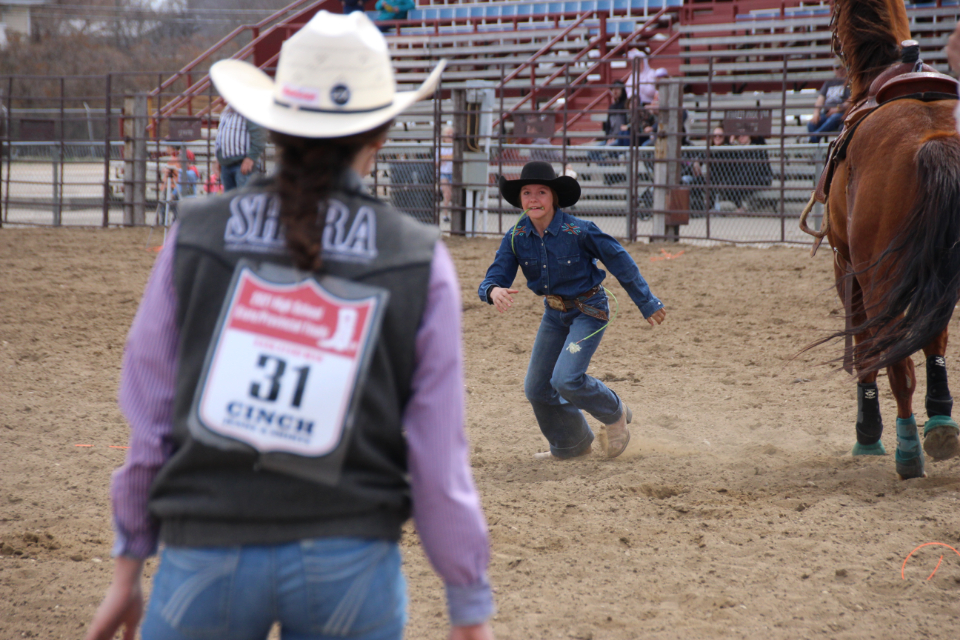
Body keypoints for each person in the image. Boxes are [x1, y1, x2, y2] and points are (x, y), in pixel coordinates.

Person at [84, 11, 494, 640]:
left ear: (274, 127)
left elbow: (152, 413)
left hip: (208, 545)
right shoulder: (415, 255)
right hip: (350, 552)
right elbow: (438, 453)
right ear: (380, 132)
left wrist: (128, 562)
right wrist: (467, 600)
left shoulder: (194, 232)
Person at [479, 161, 666, 461]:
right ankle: (572, 444)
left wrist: (647, 302)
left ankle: (615, 412)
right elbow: (494, 277)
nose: (534, 199)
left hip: (589, 310)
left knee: (565, 379)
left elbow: (619, 261)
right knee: (537, 387)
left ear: (554, 197)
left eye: (542, 192)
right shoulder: (515, 237)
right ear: (520, 200)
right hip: (554, 314)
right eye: (527, 193)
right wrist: (493, 291)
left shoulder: (579, 230)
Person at [214, 104, 266, 191]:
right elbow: (220, 136)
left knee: (244, 198)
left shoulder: (250, 110)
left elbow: (260, 136)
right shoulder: (226, 111)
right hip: (225, 164)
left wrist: (251, 158)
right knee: (229, 200)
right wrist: (218, 158)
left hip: (243, 164)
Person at [807, 64, 850, 143]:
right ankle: (814, 146)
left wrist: (837, 109)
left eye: (842, 68)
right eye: (837, 68)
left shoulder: (849, 82)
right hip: (827, 113)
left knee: (834, 118)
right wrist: (816, 113)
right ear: (834, 69)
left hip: (842, 113)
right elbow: (820, 99)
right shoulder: (829, 82)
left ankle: (814, 137)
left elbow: (851, 100)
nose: (840, 71)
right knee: (811, 124)